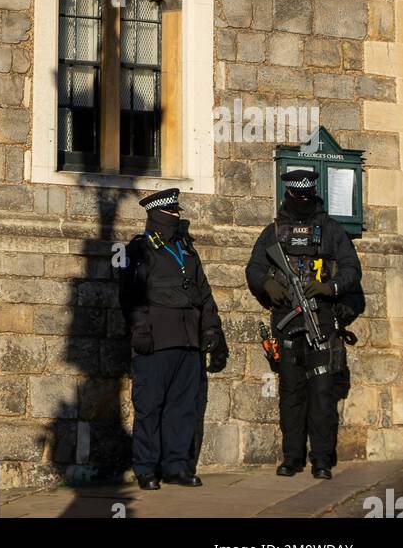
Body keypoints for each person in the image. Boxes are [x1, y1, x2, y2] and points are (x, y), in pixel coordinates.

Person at [245, 166, 364, 480]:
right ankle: (292, 458)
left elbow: (352, 269)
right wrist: (267, 285)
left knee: (322, 394)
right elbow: (254, 268)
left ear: (313, 193)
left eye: (306, 194)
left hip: (321, 321)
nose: (301, 199)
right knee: (291, 393)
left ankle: (322, 460)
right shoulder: (273, 231)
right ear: (288, 193)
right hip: (286, 321)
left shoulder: (331, 230)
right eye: (297, 195)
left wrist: (330, 287)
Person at [120, 188, 228, 490]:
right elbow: (130, 295)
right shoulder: (139, 250)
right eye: (171, 212)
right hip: (156, 341)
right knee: (149, 407)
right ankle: (146, 469)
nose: (177, 216)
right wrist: (140, 328)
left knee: (183, 408)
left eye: (177, 211)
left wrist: (211, 329)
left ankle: (176, 466)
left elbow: (204, 294)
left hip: (188, 342)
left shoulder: (187, 251)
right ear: (156, 215)